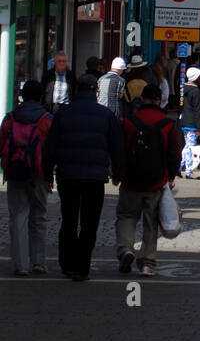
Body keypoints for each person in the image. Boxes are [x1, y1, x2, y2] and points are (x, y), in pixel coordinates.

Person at [42, 74, 124, 282]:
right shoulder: (105, 115)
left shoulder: (63, 113)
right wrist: (117, 173)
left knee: (68, 220)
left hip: (67, 174)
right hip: (95, 177)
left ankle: (67, 264)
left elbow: (50, 146)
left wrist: (47, 173)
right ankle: (82, 267)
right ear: (95, 91)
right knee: (89, 222)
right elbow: (117, 147)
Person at [116, 84, 182, 276]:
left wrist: (118, 173)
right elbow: (175, 153)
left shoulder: (129, 122)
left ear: (142, 99)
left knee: (126, 216)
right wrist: (170, 176)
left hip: (131, 180)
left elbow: (120, 150)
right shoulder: (168, 124)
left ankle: (126, 249)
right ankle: (147, 262)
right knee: (151, 221)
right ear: (159, 101)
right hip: (156, 182)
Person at [0, 80, 54, 276]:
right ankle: (39, 261)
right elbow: (51, 150)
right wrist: (49, 175)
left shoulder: (10, 118)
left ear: (22, 95)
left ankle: (20, 264)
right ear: (40, 96)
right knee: (39, 216)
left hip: (15, 173)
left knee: (18, 216)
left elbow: (1, 144)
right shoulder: (47, 119)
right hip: (38, 173)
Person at [180, 67, 200, 178]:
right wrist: (199, 128)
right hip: (192, 123)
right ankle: (189, 171)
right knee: (190, 147)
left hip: (184, 120)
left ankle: (179, 167)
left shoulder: (183, 88)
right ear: (196, 78)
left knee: (187, 146)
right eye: (199, 76)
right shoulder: (196, 91)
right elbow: (198, 110)